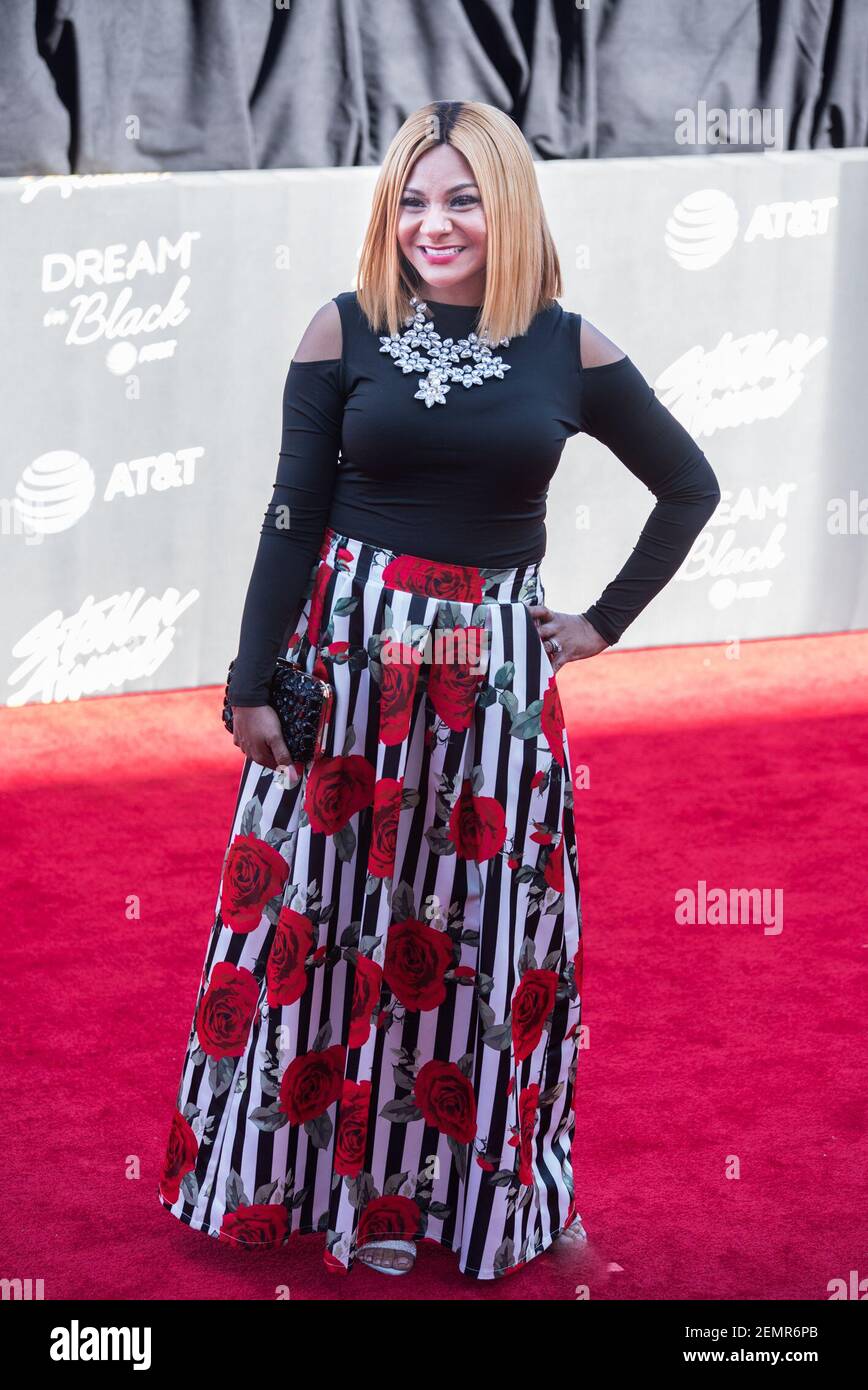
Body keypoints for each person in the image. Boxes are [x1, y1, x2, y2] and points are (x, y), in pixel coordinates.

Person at [157, 99, 721, 1280]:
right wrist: (250, 682)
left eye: (462, 197)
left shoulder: (569, 346)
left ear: (507, 202)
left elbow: (689, 485)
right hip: (354, 665)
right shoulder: (341, 330)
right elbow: (289, 516)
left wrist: (602, 622)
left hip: (495, 689)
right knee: (323, 924)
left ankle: (472, 1203)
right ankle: (308, 1193)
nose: (435, 222)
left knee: (477, 933)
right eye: (413, 200)